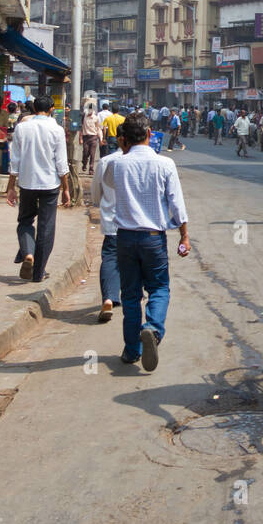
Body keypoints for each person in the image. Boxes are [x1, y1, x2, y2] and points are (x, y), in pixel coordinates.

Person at [100, 111, 190, 369]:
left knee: (130, 295)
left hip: (125, 238)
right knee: (159, 289)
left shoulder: (116, 164)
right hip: (153, 238)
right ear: (150, 135)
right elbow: (177, 203)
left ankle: (131, 350)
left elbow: (108, 184)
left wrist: (122, 151)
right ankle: (152, 327)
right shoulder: (165, 164)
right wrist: (184, 235)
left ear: (123, 139)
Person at [5, 95, 70, 282]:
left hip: (27, 183)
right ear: (51, 109)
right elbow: (61, 163)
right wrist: (65, 189)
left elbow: (14, 161)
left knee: (25, 221)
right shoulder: (56, 130)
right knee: (46, 228)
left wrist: (10, 187)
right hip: (50, 185)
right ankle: (38, 272)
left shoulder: (22, 128)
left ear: (34, 109)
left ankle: (28, 253)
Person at [90, 126, 125, 323]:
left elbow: (96, 194)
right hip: (139, 225)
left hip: (112, 222)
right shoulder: (151, 162)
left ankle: (109, 298)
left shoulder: (106, 162)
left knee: (110, 258)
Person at [81, 103, 103, 172]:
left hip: (93, 137)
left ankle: (91, 168)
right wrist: (80, 137)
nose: (90, 111)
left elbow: (98, 128)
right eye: (89, 109)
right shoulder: (84, 116)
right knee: (85, 153)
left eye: (91, 109)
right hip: (85, 137)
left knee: (92, 154)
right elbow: (81, 127)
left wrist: (100, 139)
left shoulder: (96, 118)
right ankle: (84, 163)